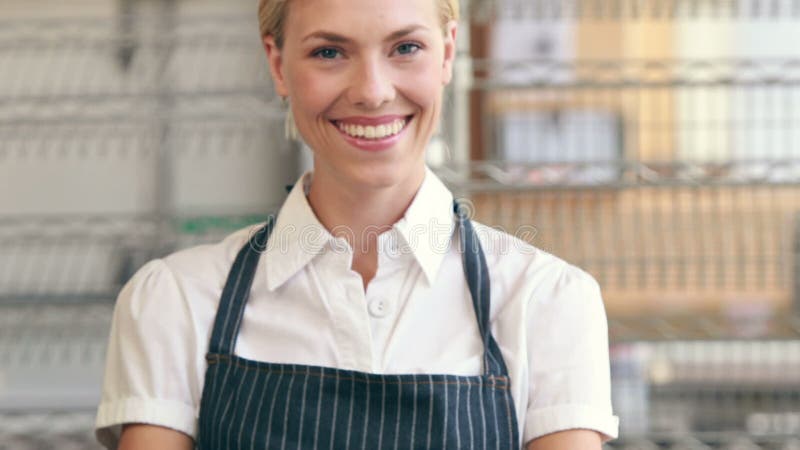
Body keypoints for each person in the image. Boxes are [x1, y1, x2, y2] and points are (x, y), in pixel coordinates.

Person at [94, 0, 620, 448]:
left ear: (448, 53)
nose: (372, 91)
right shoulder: (176, 303)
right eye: (329, 52)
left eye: (405, 48)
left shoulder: (546, 301)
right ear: (277, 65)